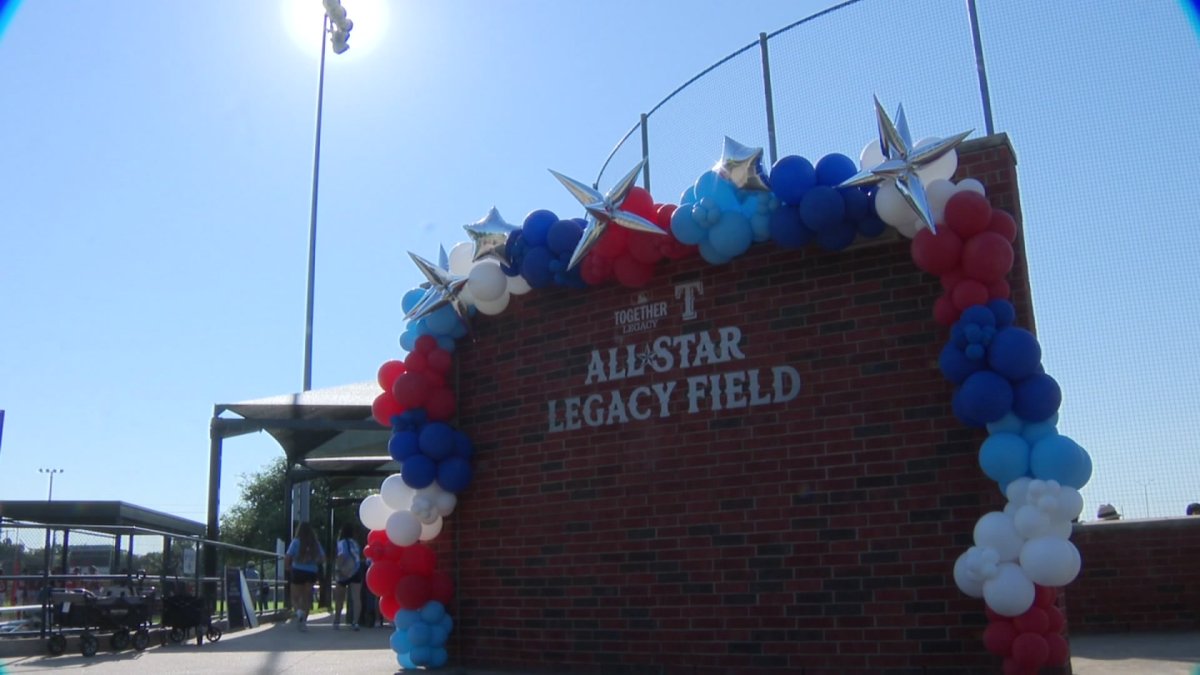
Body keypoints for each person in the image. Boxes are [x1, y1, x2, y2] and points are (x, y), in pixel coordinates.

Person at [284, 522, 325, 632]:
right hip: (311, 573)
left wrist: (288, 567)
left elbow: (288, 556)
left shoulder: (296, 542)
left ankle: (298, 612)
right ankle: (304, 622)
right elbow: (322, 558)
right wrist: (313, 560)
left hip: (298, 571)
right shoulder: (315, 543)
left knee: (295, 597)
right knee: (307, 597)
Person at [331, 523, 364, 631]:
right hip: (356, 570)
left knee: (339, 597)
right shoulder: (355, 543)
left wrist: (337, 569)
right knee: (356, 597)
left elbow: (342, 555)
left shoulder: (342, 543)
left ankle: (337, 620)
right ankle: (355, 622)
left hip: (343, 572)